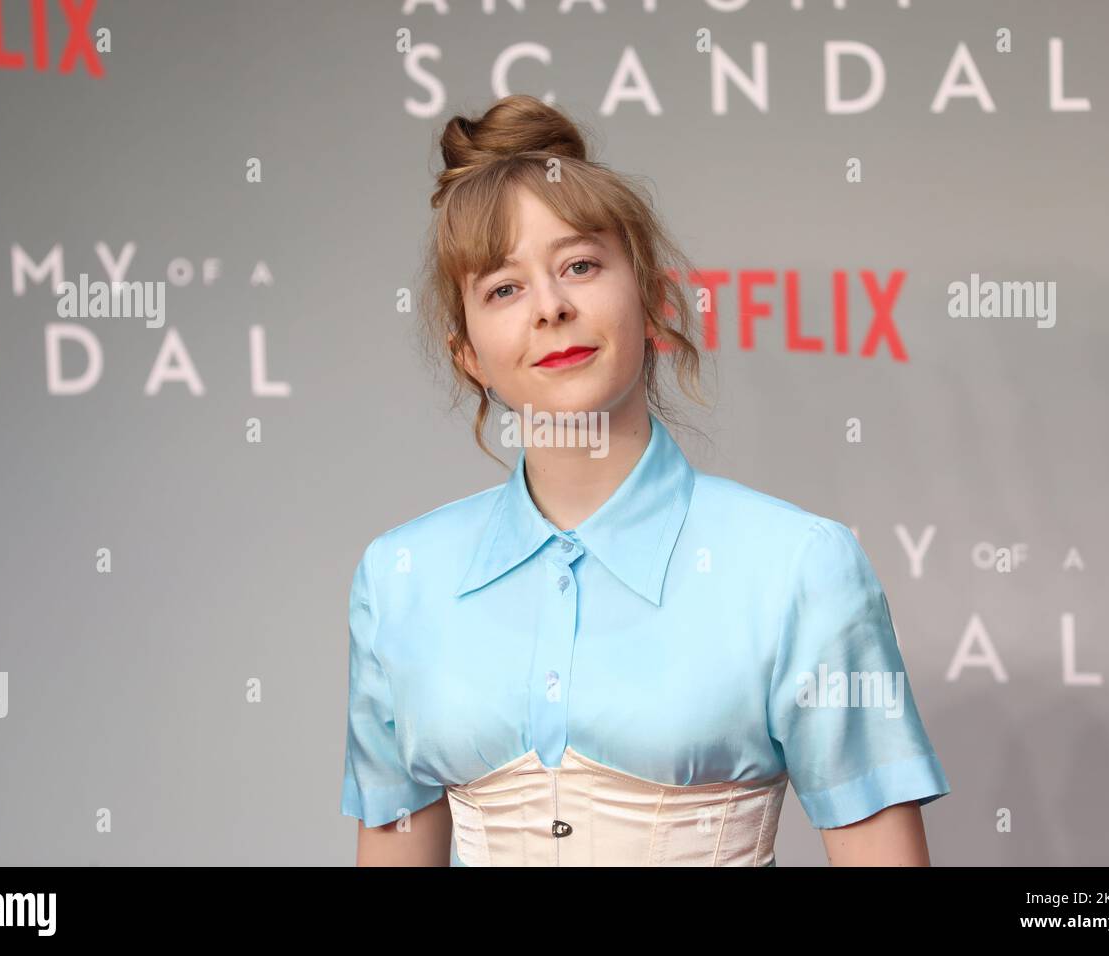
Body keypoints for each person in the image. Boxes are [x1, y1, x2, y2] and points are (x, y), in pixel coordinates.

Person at [340, 94, 950, 866]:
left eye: (581, 266)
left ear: (654, 301)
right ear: (468, 353)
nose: (551, 308)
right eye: (504, 288)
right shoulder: (399, 580)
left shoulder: (799, 566)